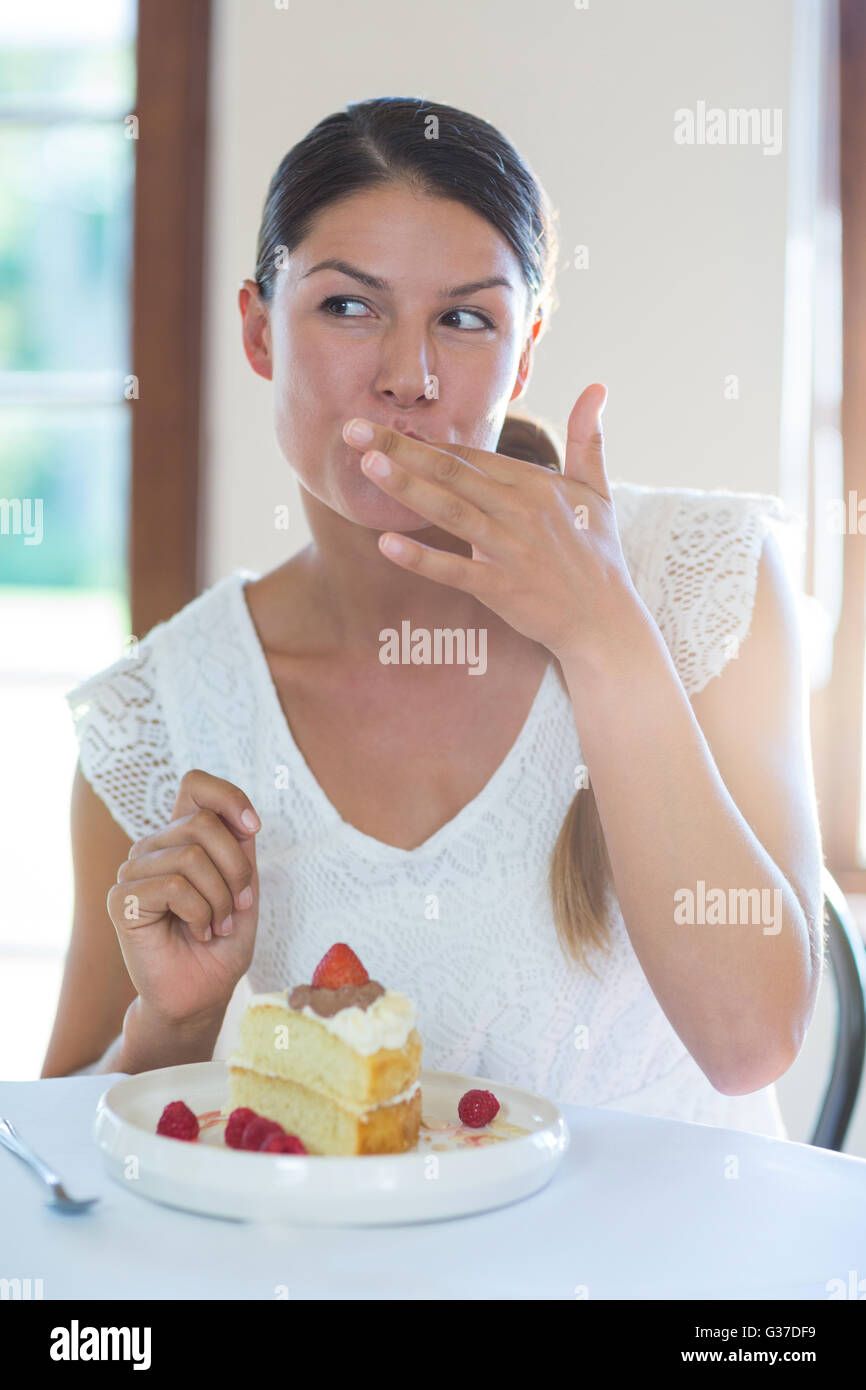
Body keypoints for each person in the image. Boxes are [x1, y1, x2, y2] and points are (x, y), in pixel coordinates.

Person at [45, 97, 824, 1140]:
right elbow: (49, 1153)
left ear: (527, 348)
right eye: (347, 308)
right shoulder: (159, 717)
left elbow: (750, 1043)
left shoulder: (702, 578)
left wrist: (602, 636)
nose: (406, 378)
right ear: (255, 330)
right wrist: (173, 1025)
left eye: (464, 319)